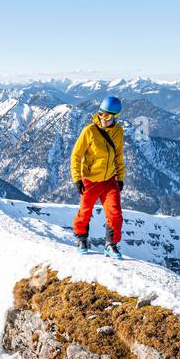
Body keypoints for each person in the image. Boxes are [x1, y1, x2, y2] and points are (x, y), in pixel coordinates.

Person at [70, 95, 125, 257]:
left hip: (109, 180)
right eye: (100, 113)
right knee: (85, 211)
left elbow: (118, 156)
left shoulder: (118, 132)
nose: (102, 118)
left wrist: (120, 178)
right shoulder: (89, 131)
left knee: (115, 212)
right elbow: (76, 156)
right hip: (90, 180)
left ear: (115, 117)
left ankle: (111, 245)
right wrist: (77, 179)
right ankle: (81, 239)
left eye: (107, 115)